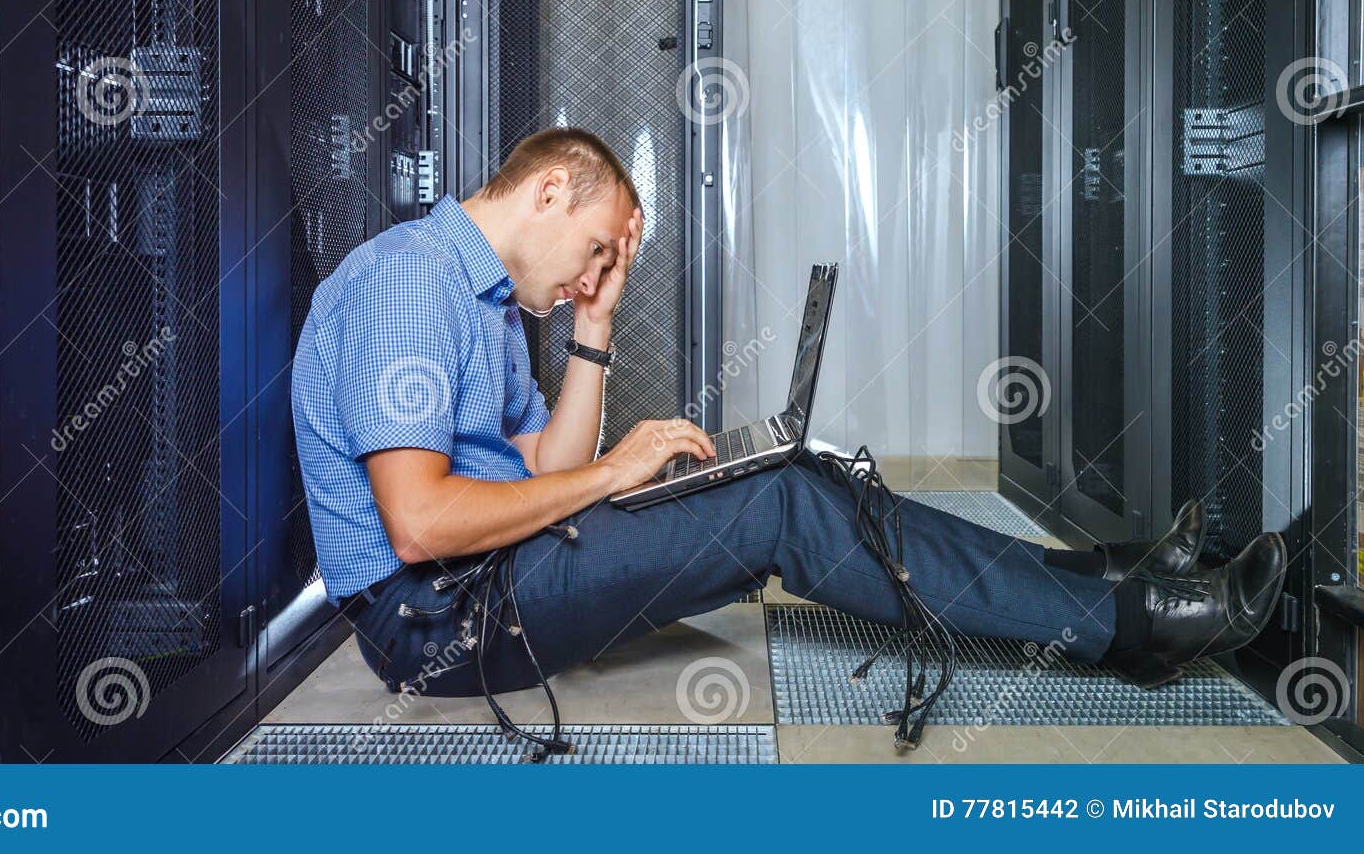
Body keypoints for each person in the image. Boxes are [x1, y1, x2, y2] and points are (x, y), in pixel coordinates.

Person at [290, 126, 1287, 733]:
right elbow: (420, 526)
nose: (593, 274)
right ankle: (1131, 629)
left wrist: (593, 330)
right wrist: (618, 471)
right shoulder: (410, 285)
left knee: (793, 475)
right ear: (548, 190)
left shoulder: (490, 302)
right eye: (594, 248)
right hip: (434, 621)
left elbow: (545, 468)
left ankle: (1095, 577)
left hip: (494, 572)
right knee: (779, 503)